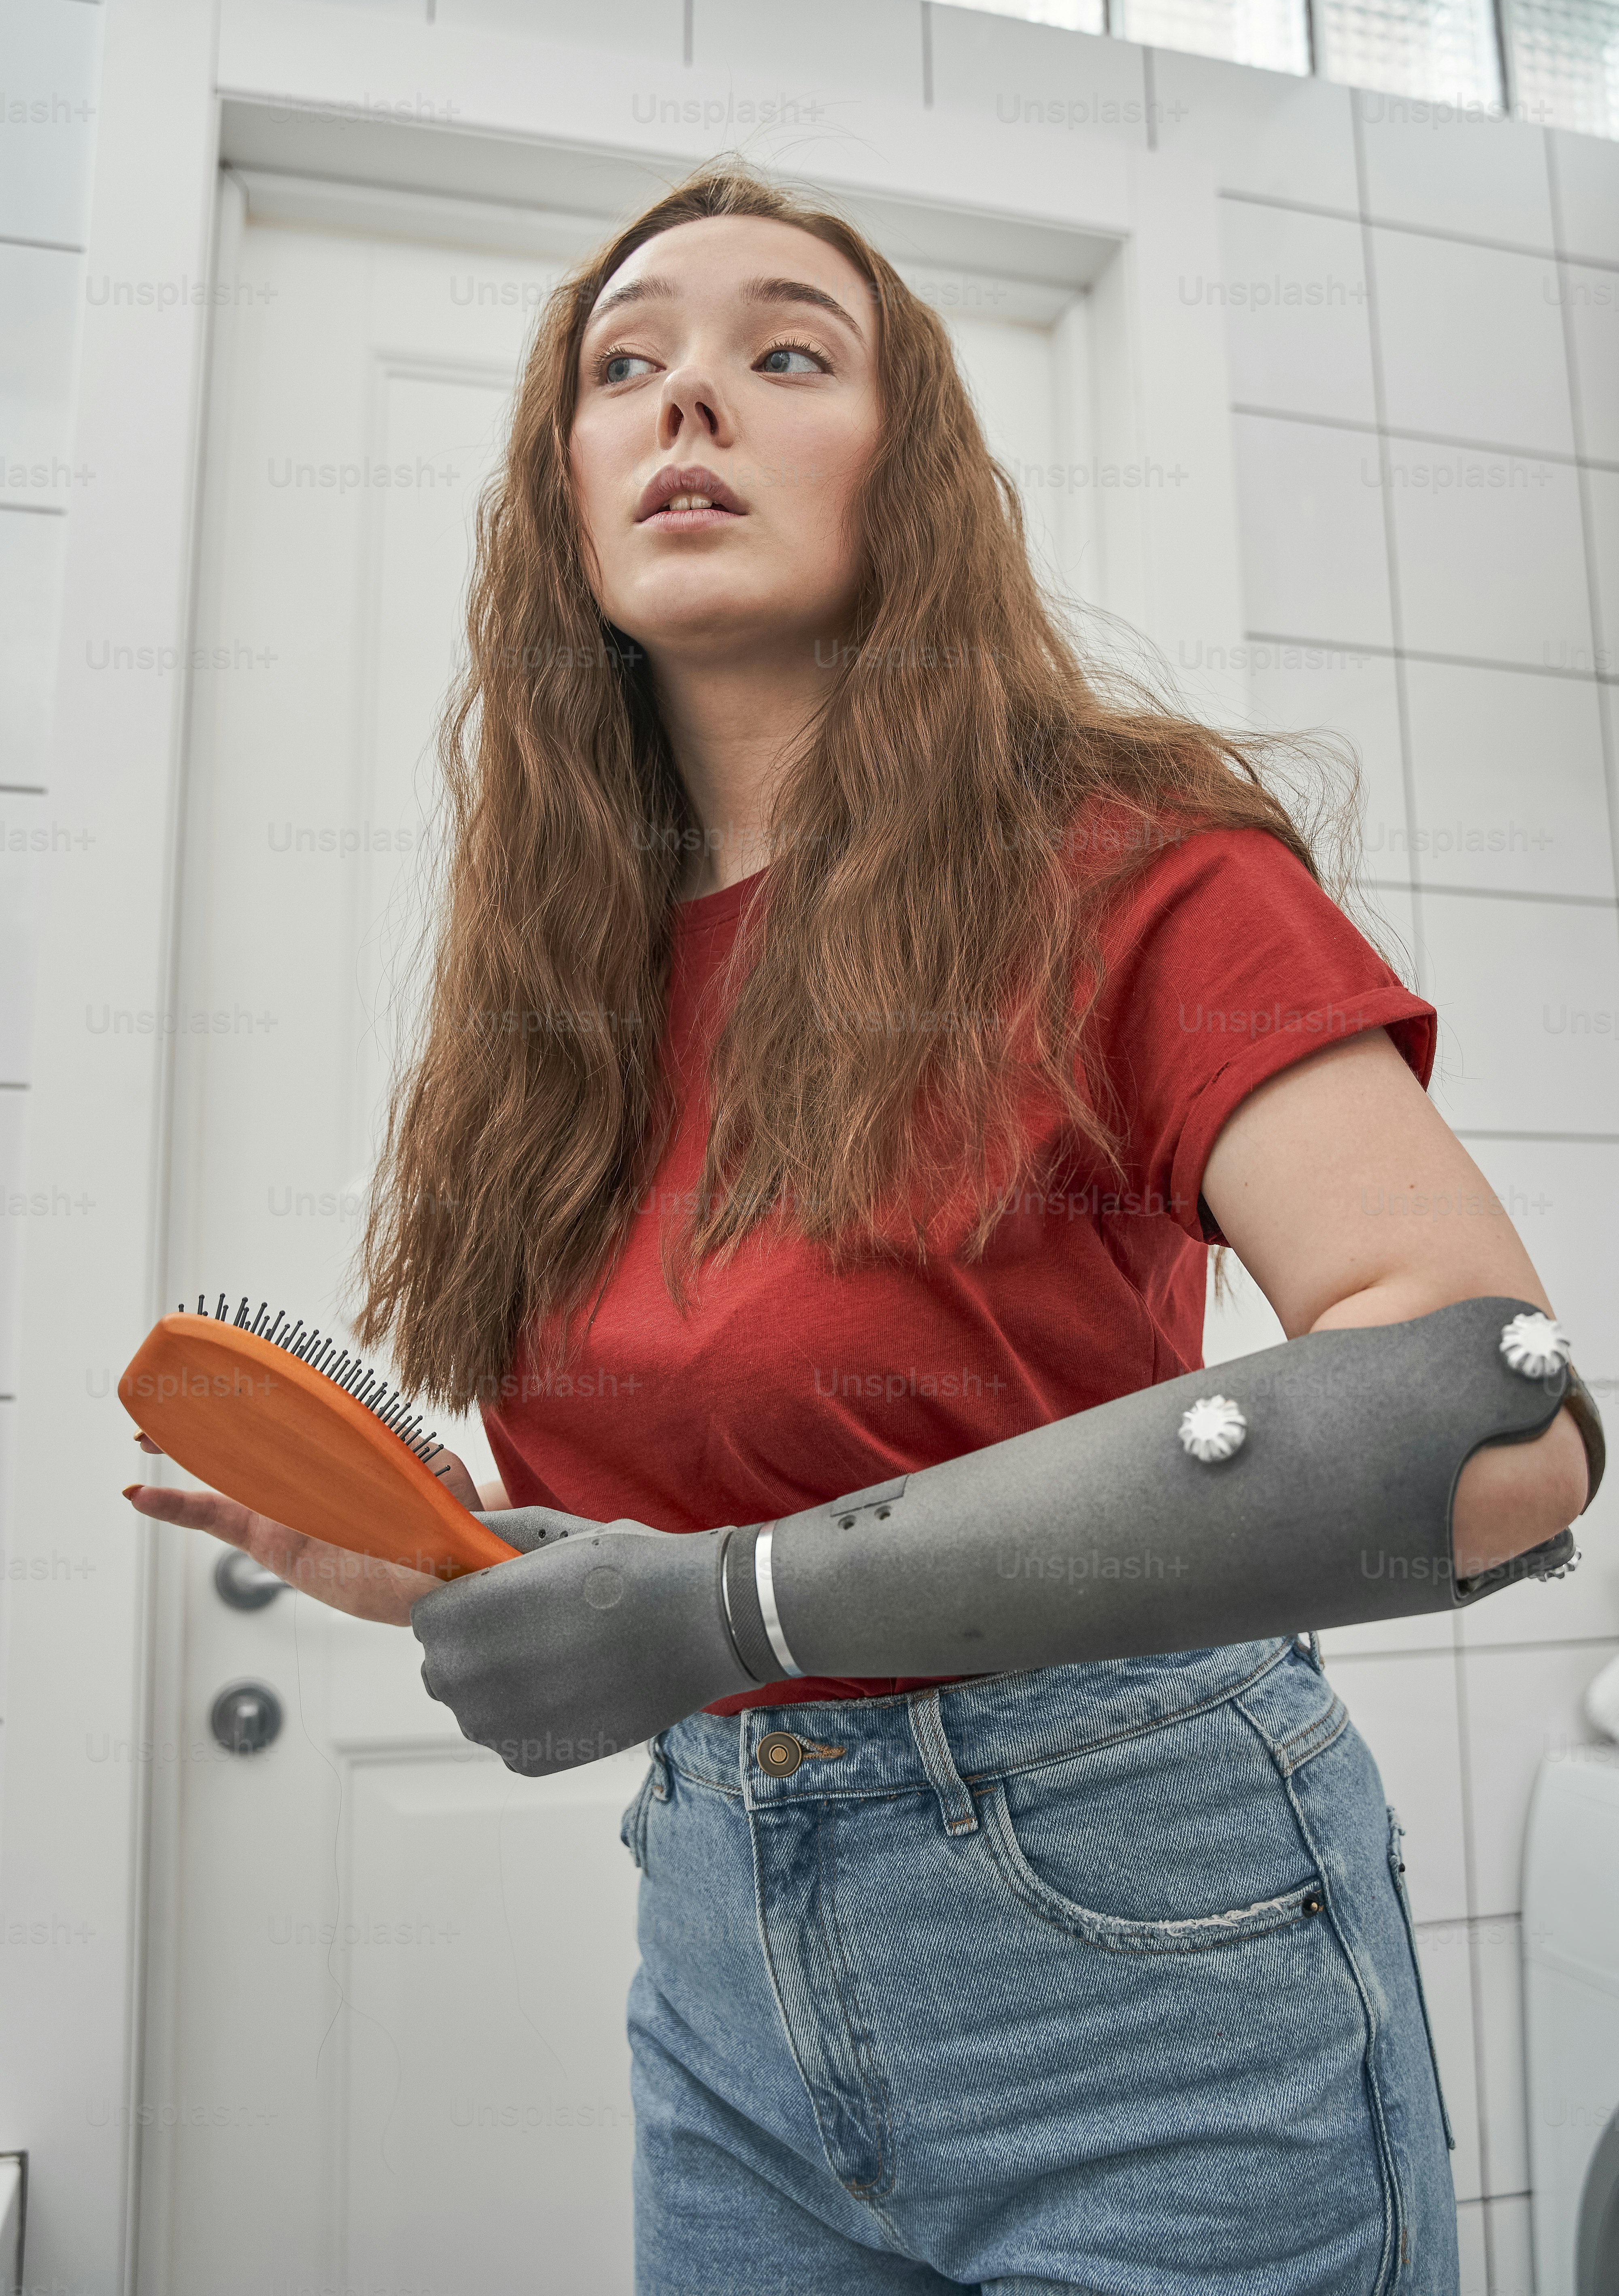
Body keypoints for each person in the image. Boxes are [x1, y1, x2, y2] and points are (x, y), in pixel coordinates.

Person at [128, 165, 1590, 2295]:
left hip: (1143, 1935)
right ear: (562, 492)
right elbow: (728, 1512)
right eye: (624, 367)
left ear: (913, 472)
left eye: (786, 353)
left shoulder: (1134, 867)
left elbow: (1485, 1422)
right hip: (720, 1952)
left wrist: (722, 1607)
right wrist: (479, 1567)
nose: (687, 399)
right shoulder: (564, 983)